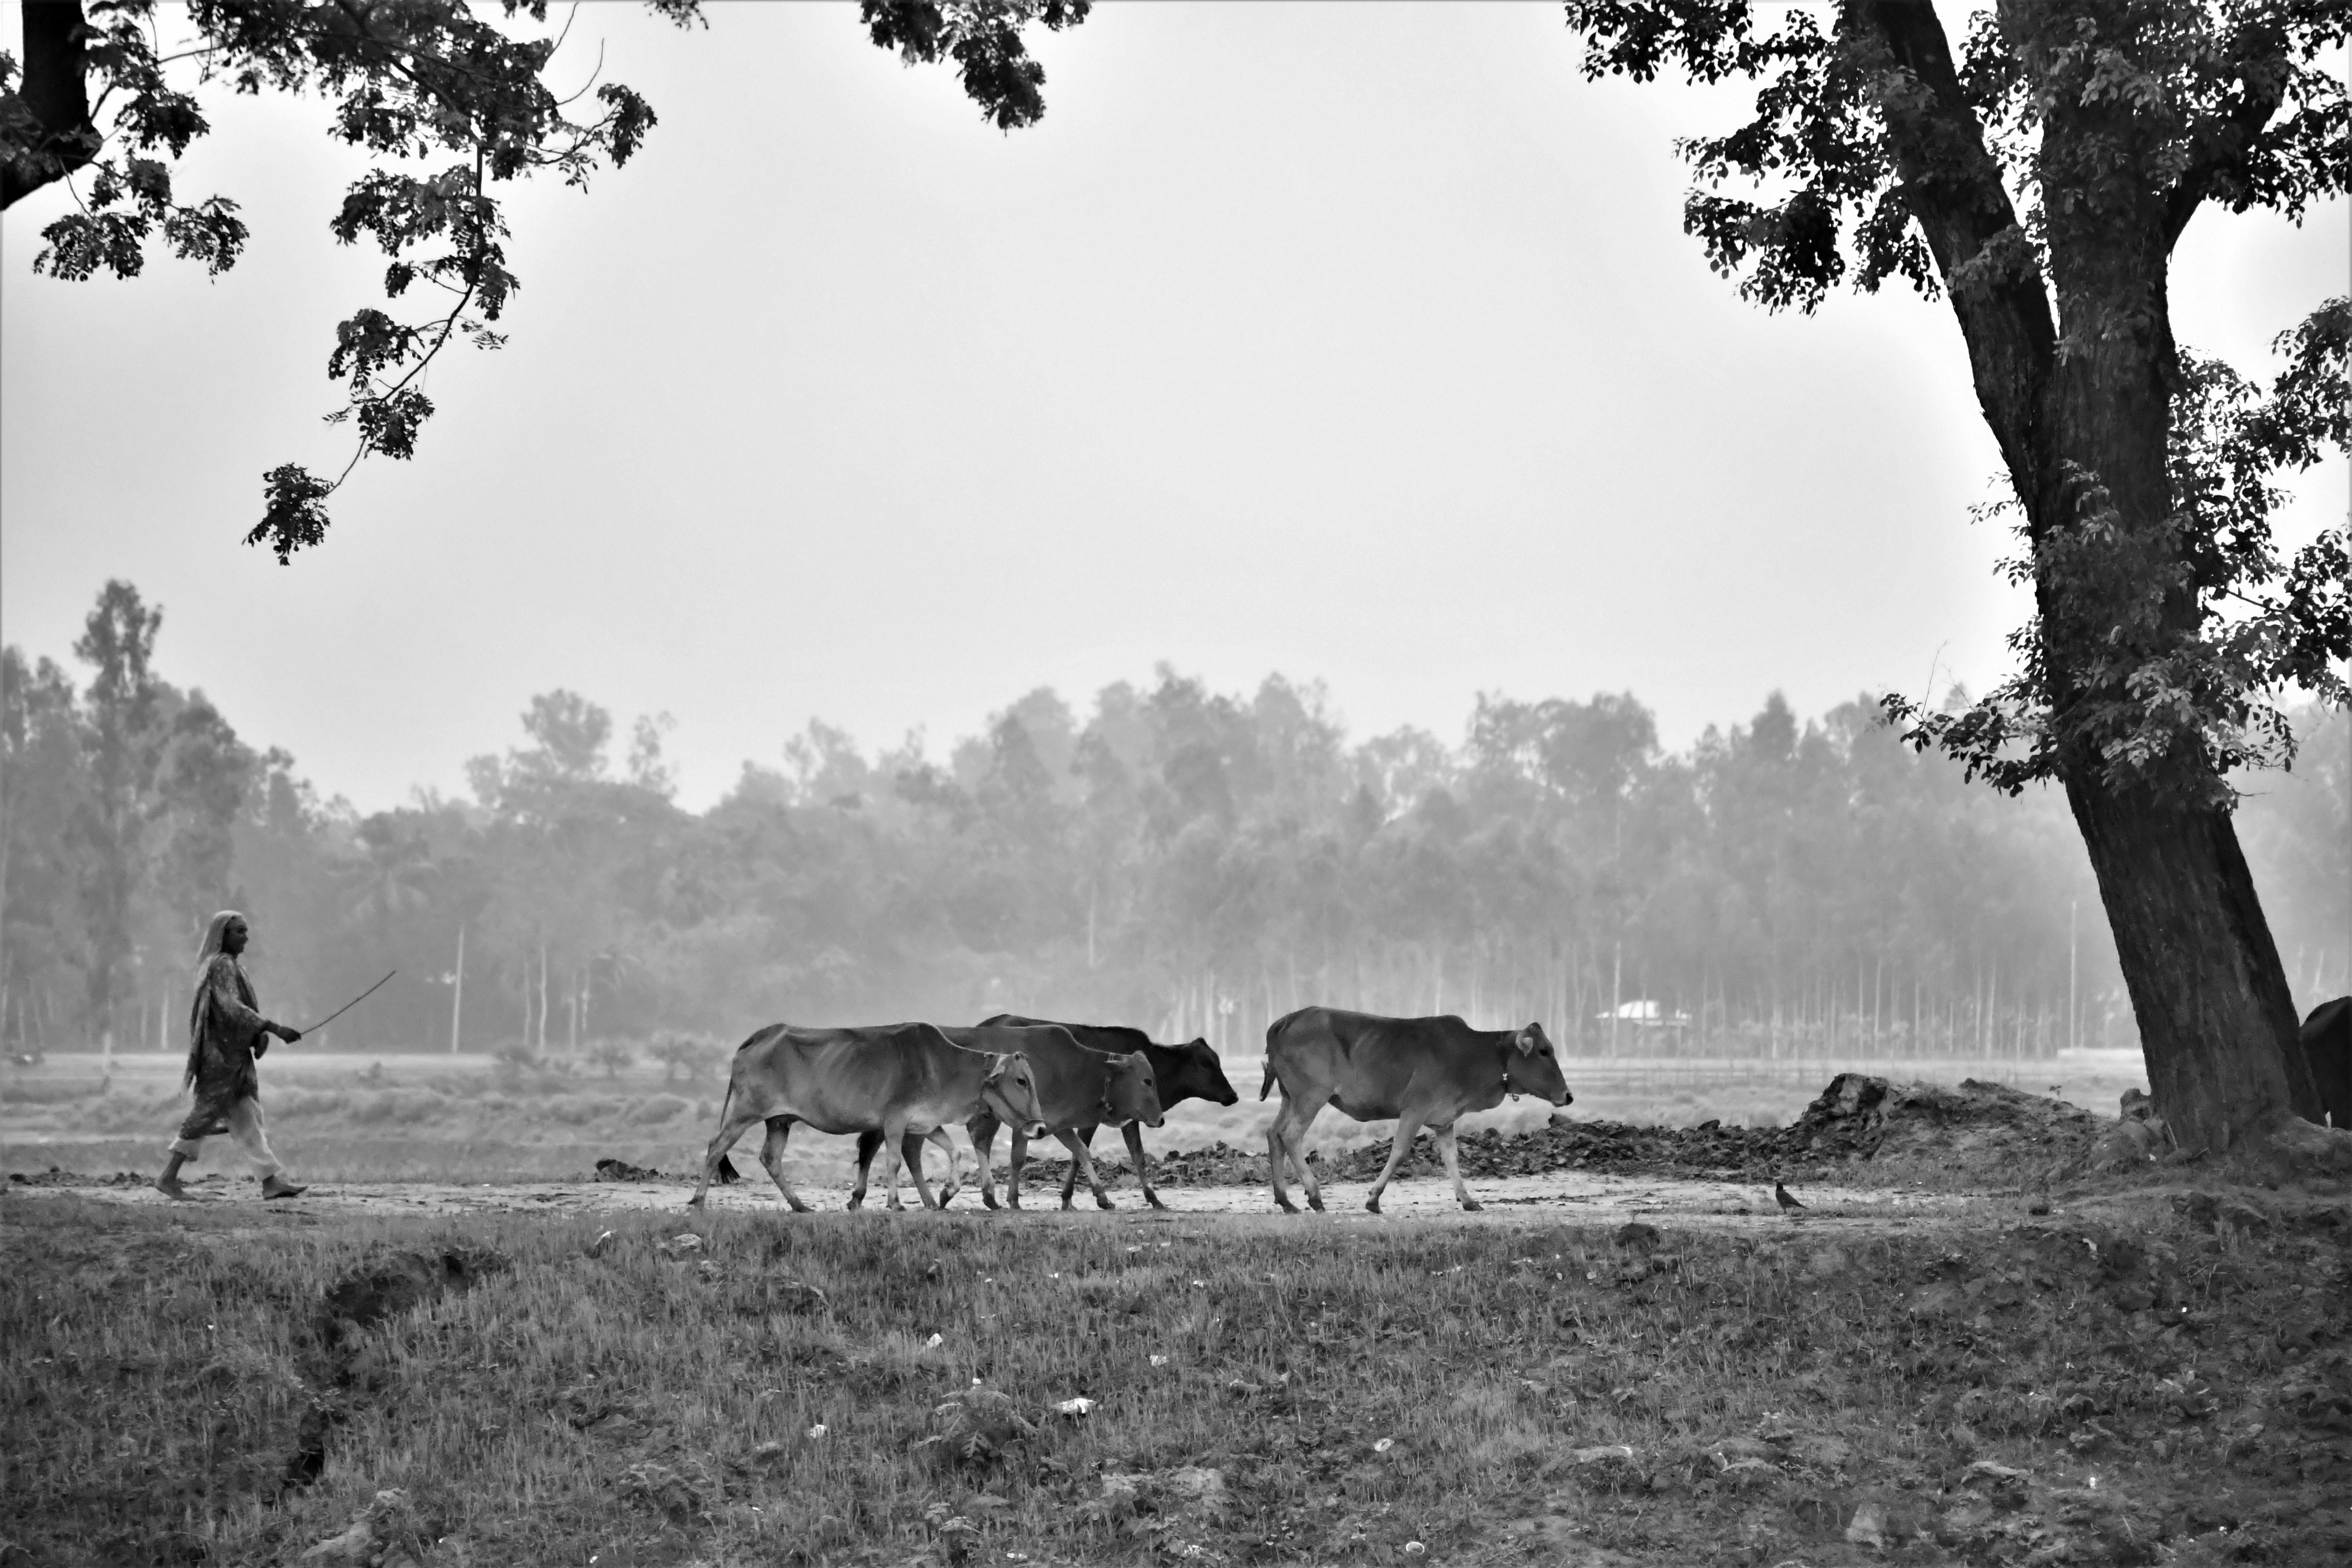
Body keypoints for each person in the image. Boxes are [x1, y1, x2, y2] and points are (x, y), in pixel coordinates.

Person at [155, 911, 308, 1200]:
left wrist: (257, 1035)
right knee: (204, 1115)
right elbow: (231, 1008)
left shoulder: (225, 965)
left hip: (232, 1058)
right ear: (222, 936)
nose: (246, 937)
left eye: (246, 931)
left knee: (248, 1116)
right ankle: (167, 1177)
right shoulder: (223, 965)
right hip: (221, 1061)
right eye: (239, 932)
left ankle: (270, 1182)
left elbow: (234, 1012)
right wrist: (274, 1028)